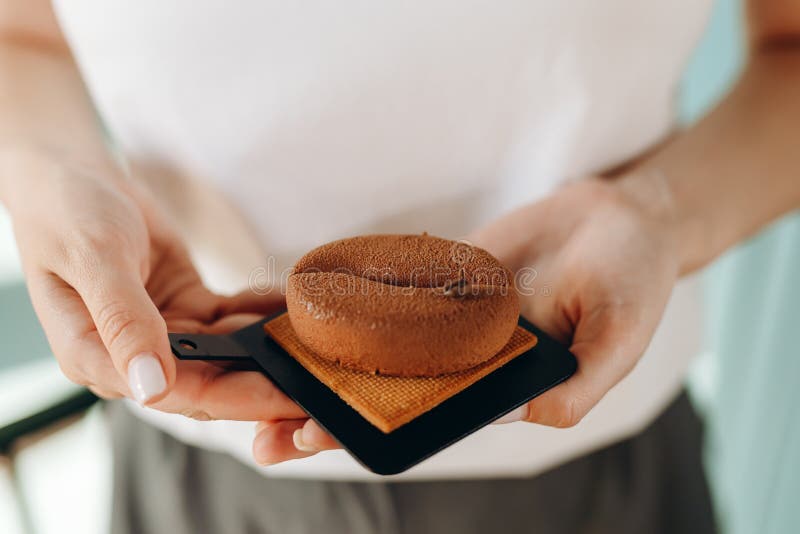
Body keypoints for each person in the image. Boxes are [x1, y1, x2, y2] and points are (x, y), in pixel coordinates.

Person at [1, 1, 798, 532]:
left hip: (600, 474)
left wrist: (653, 215)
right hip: (201, 470)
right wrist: (50, 173)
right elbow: (23, 34)